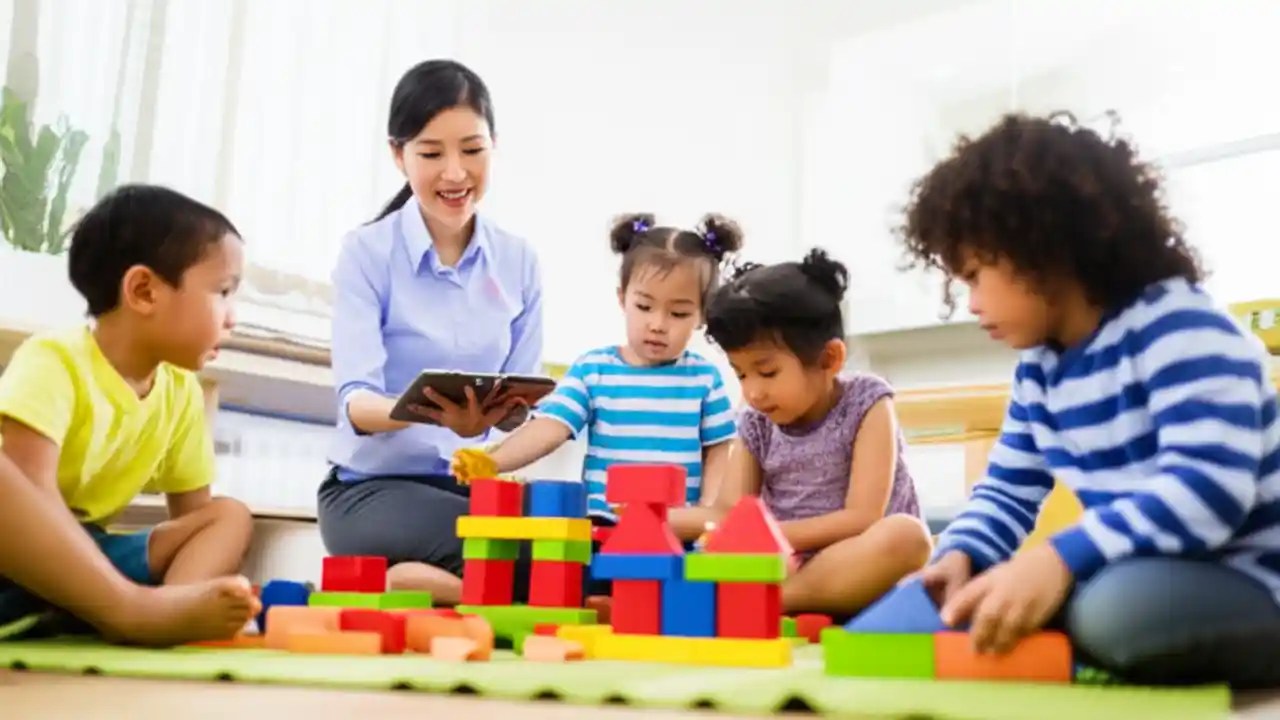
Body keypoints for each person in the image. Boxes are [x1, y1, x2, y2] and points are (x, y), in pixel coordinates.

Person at [901, 112, 1280, 688]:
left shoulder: (1179, 327)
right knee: (1002, 597)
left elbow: (1206, 489)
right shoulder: (1040, 371)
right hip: (1153, 574)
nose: (970, 302)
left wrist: (1056, 559)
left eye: (976, 275)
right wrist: (960, 557)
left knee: (1115, 612)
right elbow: (1006, 489)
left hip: (1253, 579)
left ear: (1043, 249)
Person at [319, 59, 543, 606]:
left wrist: (496, 417)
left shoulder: (518, 261)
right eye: (430, 153)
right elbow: (356, 404)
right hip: (370, 492)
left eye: (472, 150)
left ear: (494, 147)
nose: (455, 173)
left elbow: (521, 401)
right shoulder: (366, 254)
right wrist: (431, 411)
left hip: (469, 488)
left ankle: (433, 587)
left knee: (576, 544)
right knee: (521, 559)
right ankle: (430, 583)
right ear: (399, 155)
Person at [0, 183, 259, 641]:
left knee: (228, 515)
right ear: (143, 291)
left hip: (93, 560)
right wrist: (109, 588)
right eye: (222, 292)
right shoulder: (54, 360)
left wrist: (191, 586)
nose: (233, 317)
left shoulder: (180, 391)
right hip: (20, 555)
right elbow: (27, 492)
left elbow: (194, 517)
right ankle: (129, 612)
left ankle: (165, 610)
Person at [452, 213, 741, 540]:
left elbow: (719, 450)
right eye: (644, 306)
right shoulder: (594, 370)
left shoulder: (704, 379)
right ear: (623, 299)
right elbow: (551, 427)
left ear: (703, 313)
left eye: (678, 313)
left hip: (675, 531)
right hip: (605, 529)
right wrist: (494, 461)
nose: (658, 324)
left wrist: (706, 510)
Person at [702, 248, 932, 615]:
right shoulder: (757, 422)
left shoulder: (867, 402)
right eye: (740, 374)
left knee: (907, 536)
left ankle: (769, 604)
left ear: (829, 360)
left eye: (767, 372)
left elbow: (863, 517)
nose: (753, 392)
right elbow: (730, 510)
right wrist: (650, 520)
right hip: (781, 564)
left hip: (855, 560)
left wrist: (766, 536)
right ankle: (765, 599)